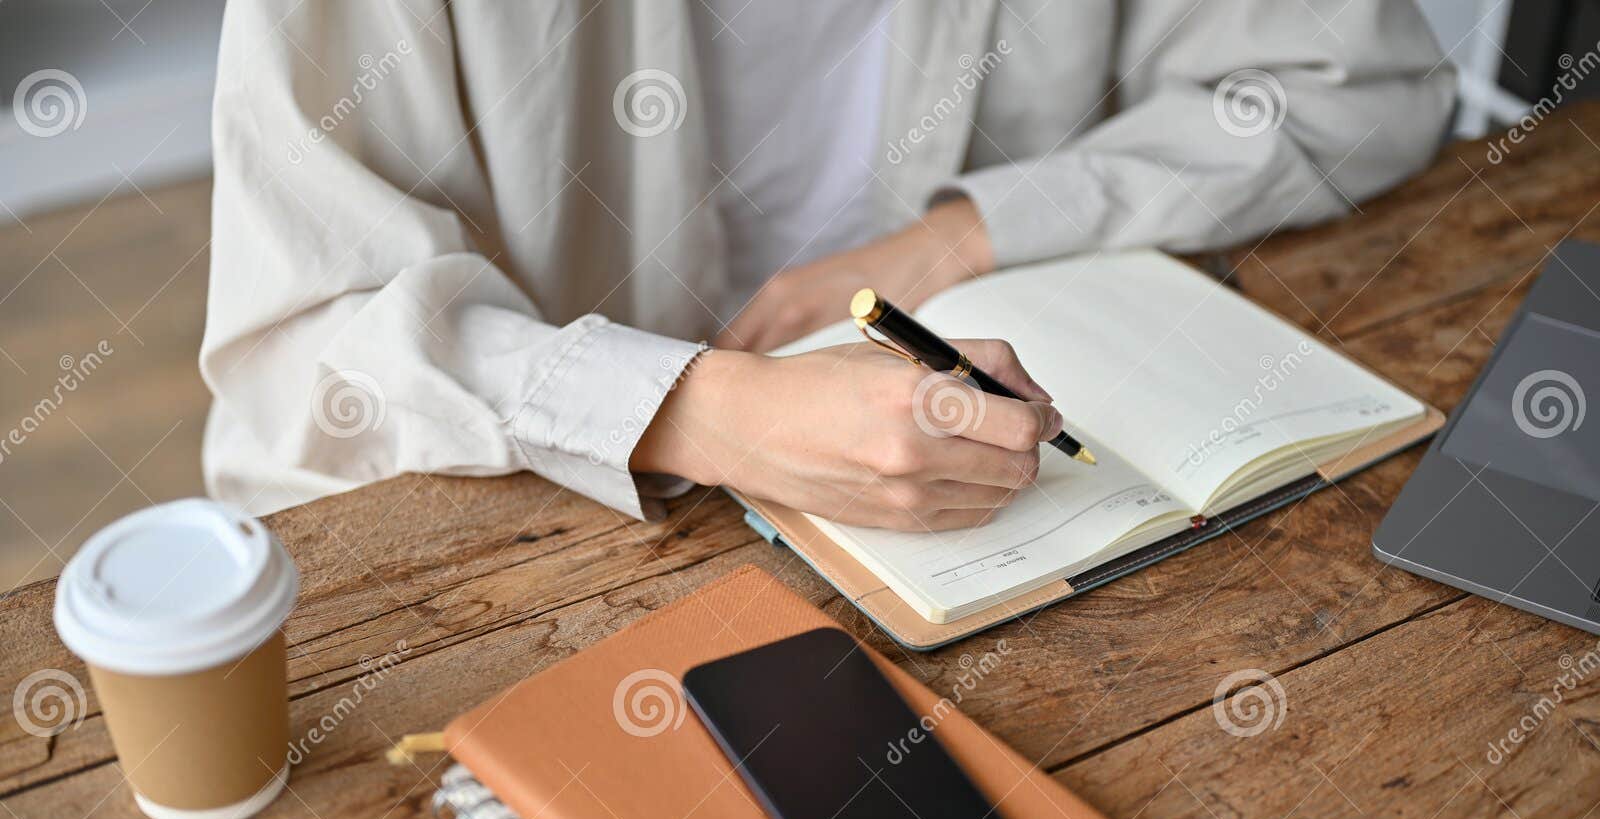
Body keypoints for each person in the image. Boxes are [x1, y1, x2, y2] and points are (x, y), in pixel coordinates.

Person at [200, 1, 1453, 530]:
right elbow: (306, 345)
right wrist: (695, 411)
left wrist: (963, 233)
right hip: (535, 526)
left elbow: (1357, 80)